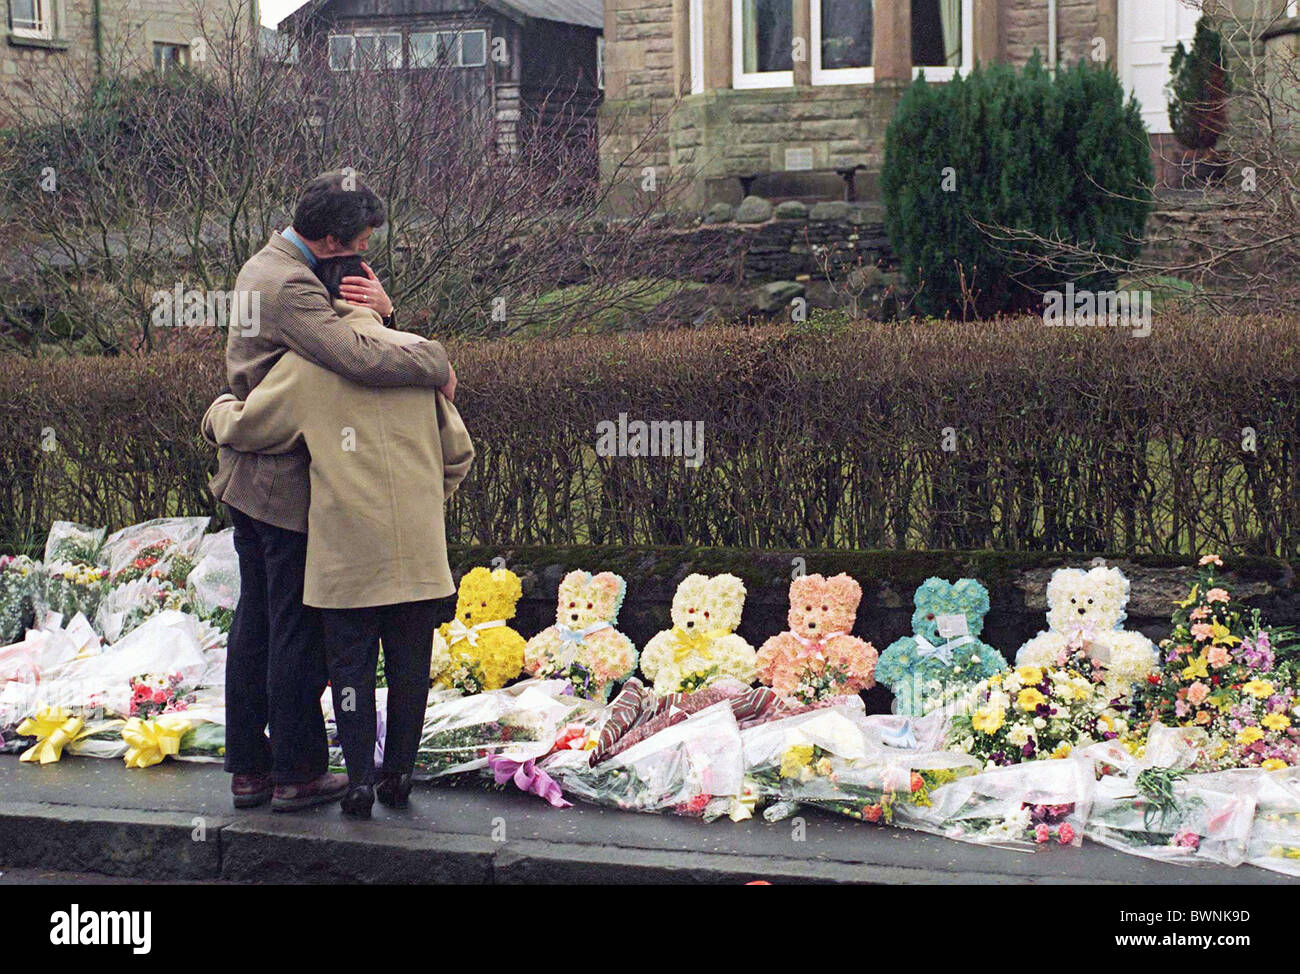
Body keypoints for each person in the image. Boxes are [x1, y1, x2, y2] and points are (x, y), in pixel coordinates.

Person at [210, 171, 457, 813]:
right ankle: (294, 772)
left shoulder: (263, 264)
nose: (366, 255)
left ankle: (250, 769)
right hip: (282, 476)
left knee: (258, 622)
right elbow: (360, 360)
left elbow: (357, 343)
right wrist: (434, 358)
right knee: (292, 628)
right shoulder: (290, 285)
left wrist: (383, 318)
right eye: (361, 244)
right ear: (328, 241)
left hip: (256, 468)